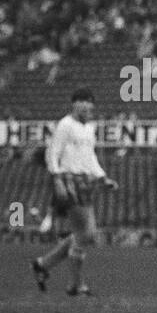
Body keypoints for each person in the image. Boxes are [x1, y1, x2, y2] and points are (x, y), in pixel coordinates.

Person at [30, 88, 119, 296]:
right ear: (74, 104)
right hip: (69, 180)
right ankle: (76, 285)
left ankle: (43, 264)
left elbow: (90, 157)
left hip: (85, 181)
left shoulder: (89, 127)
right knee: (85, 234)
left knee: (87, 234)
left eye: (90, 101)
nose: (87, 105)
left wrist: (102, 177)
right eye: (82, 101)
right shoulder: (65, 125)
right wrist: (58, 180)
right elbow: (52, 154)